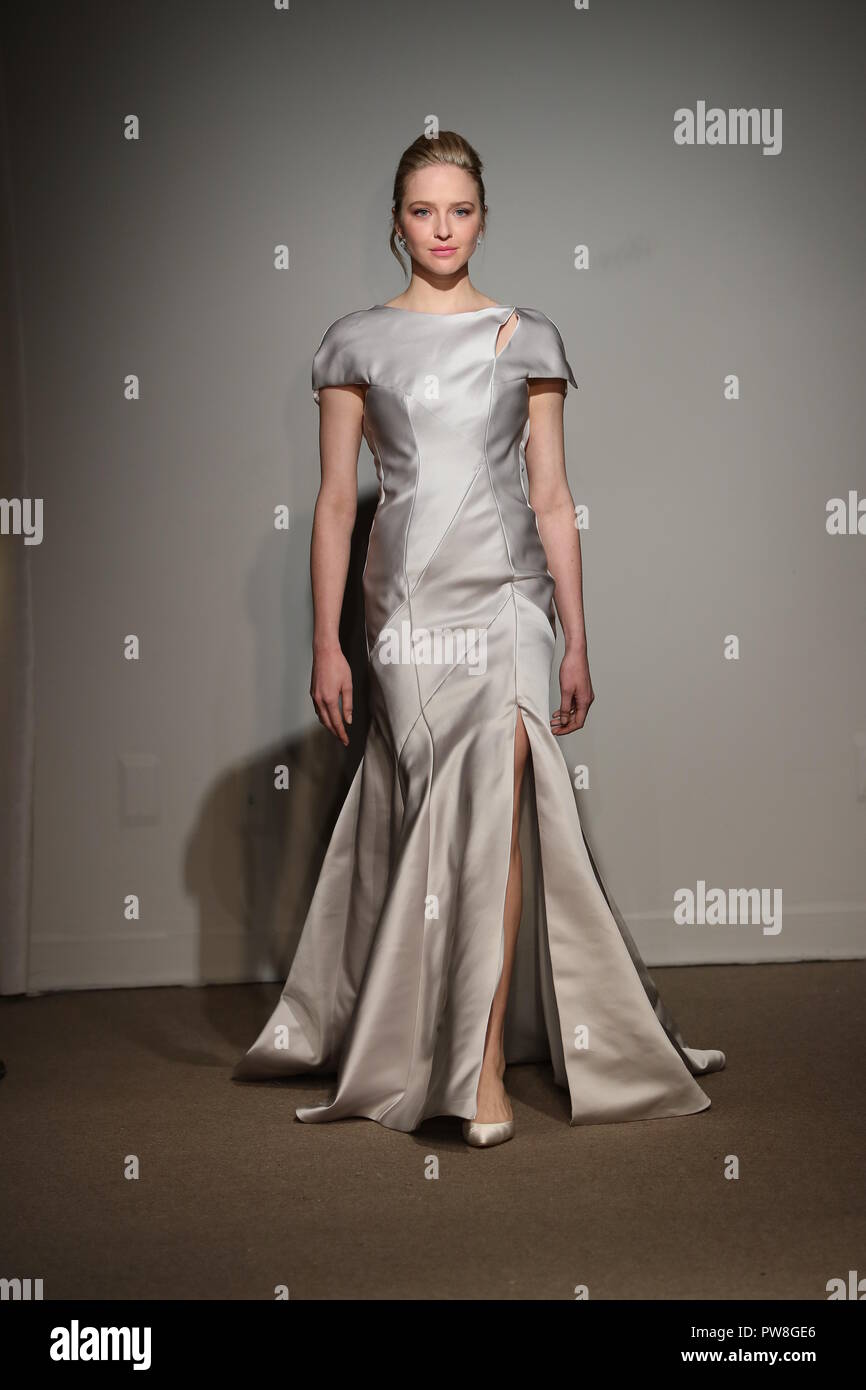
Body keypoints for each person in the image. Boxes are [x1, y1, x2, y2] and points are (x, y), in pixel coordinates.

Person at [232, 130, 725, 1147]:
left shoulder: (526, 336)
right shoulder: (353, 343)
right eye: (423, 211)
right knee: (428, 815)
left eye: (459, 210)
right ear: (396, 223)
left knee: (501, 790)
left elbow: (550, 497)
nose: (442, 229)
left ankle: (484, 1060)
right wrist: (323, 644)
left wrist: (576, 638)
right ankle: (416, 1029)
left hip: (508, 603)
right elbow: (333, 506)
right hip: (406, 609)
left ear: (483, 218)